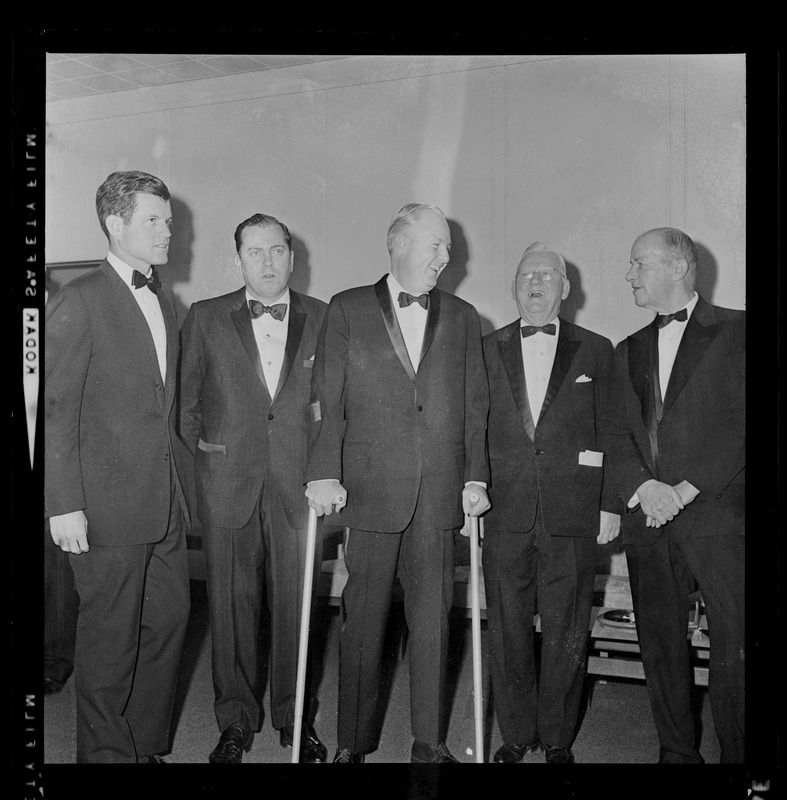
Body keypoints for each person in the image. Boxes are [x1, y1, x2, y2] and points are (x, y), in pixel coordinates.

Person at [305, 203, 490, 764]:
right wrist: (322, 471)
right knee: (363, 623)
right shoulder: (348, 308)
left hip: (438, 495)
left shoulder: (462, 316)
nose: (445, 257)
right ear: (398, 243)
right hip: (369, 491)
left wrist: (475, 475)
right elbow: (326, 398)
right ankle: (351, 744)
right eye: (436, 245)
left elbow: (475, 405)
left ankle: (429, 743)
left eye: (449, 248)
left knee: (434, 624)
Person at [45, 170, 191, 763]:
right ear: (115, 224)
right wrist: (63, 506)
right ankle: (104, 759)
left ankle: (145, 748)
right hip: (103, 510)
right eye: (153, 220)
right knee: (109, 644)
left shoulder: (164, 298)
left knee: (168, 624)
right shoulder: (79, 301)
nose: (167, 232)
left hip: (163, 504)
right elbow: (53, 412)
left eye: (168, 221)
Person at [177, 213, 328, 763]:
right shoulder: (205, 317)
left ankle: (296, 721)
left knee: (297, 608)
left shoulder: (325, 317)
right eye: (255, 252)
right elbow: (185, 410)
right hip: (228, 489)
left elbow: (334, 409)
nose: (267, 262)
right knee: (231, 611)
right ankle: (235, 723)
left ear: (293, 256)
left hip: (298, 489)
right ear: (238, 258)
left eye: (277, 250)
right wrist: (205, 480)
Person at [606, 227, 745, 763]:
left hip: (717, 517)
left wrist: (684, 489)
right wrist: (644, 487)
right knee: (660, 648)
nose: (629, 274)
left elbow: (743, 425)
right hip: (650, 519)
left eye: (639, 263)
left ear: (678, 267)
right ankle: (677, 756)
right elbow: (615, 434)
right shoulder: (627, 349)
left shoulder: (739, 331)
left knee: (735, 647)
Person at [481, 242, 620, 764]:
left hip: (574, 512)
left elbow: (612, 428)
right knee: (509, 626)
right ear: (514, 287)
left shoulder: (597, 349)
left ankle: (558, 738)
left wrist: (608, 505)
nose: (535, 283)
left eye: (546, 275)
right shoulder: (487, 347)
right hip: (506, 510)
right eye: (525, 276)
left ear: (566, 288)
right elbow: (476, 428)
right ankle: (516, 734)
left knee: (566, 628)